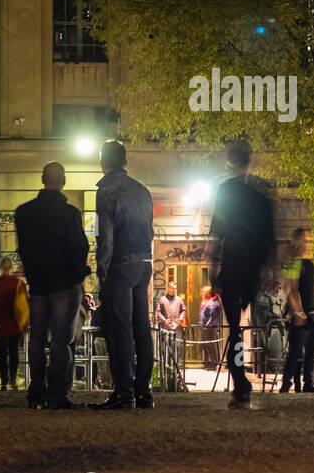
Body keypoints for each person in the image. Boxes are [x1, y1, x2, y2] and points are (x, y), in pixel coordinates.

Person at [15, 161, 91, 410]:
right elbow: (79, 247)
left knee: (37, 339)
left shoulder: (24, 213)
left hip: (38, 283)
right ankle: (57, 393)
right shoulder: (70, 214)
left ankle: (36, 391)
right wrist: (81, 274)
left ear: (42, 178)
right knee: (61, 341)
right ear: (63, 181)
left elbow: (23, 249)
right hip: (64, 283)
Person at [207, 139, 275, 409]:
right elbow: (269, 237)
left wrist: (213, 269)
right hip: (252, 266)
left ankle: (240, 386)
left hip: (233, 262)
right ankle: (242, 382)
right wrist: (268, 269)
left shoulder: (224, 192)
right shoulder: (260, 195)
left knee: (234, 328)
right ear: (249, 162)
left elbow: (217, 233)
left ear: (229, 162)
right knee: (241, 324)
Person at [90, 140, 155, 410]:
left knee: (121, 330)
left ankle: (123, 391)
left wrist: (101, 270)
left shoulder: (106, 190)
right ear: (125, 162)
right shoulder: (143, 190)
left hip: (120, 264)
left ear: (103, 162)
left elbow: (106, 235)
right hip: (144, 262)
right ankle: (144, 392)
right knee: (142, 327)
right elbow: (150, 230)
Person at [280, 228, 314, 394]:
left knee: (313, 350)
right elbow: (291, 289)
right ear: (297, 242)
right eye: (304, 240)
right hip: (301, 314)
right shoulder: (293, 263)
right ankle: (286, 384)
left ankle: (309, 384)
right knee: (295, 351)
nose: (307, 243)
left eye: (309, 240)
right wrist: (298, 312)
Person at [0, 257, 24, 391]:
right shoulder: (18, 283)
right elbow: (23, 306)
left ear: (0, 267)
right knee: (14, 353)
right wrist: (25, 323)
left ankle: (4, 382)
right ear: (12, 267)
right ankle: (13, 380)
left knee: (2, 353)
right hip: (15, 322)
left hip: (0, 322)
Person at [156, 280, 187, 382]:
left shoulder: (179, 300)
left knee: (177, 350)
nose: (174, 290)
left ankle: (176, 375)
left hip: (176, 328)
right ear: (168, 288)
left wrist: (179, 320)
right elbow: (159, 312)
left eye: (175, 288)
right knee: (165, 351)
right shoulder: (162, 300)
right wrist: (165, 321)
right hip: (166, 329)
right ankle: (166, 375)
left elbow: (183, 310)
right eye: (172, 288)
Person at [199, 286, 223, 370]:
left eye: (204, 292)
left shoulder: (213, 303)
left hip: (210, 327)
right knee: (206, 345)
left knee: (211, 345)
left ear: (208, 293)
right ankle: (208, 362)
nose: (202, 293)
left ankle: (214, 363)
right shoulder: (207, 302)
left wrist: (208, 325)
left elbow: (213, 316)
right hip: (206, 326)